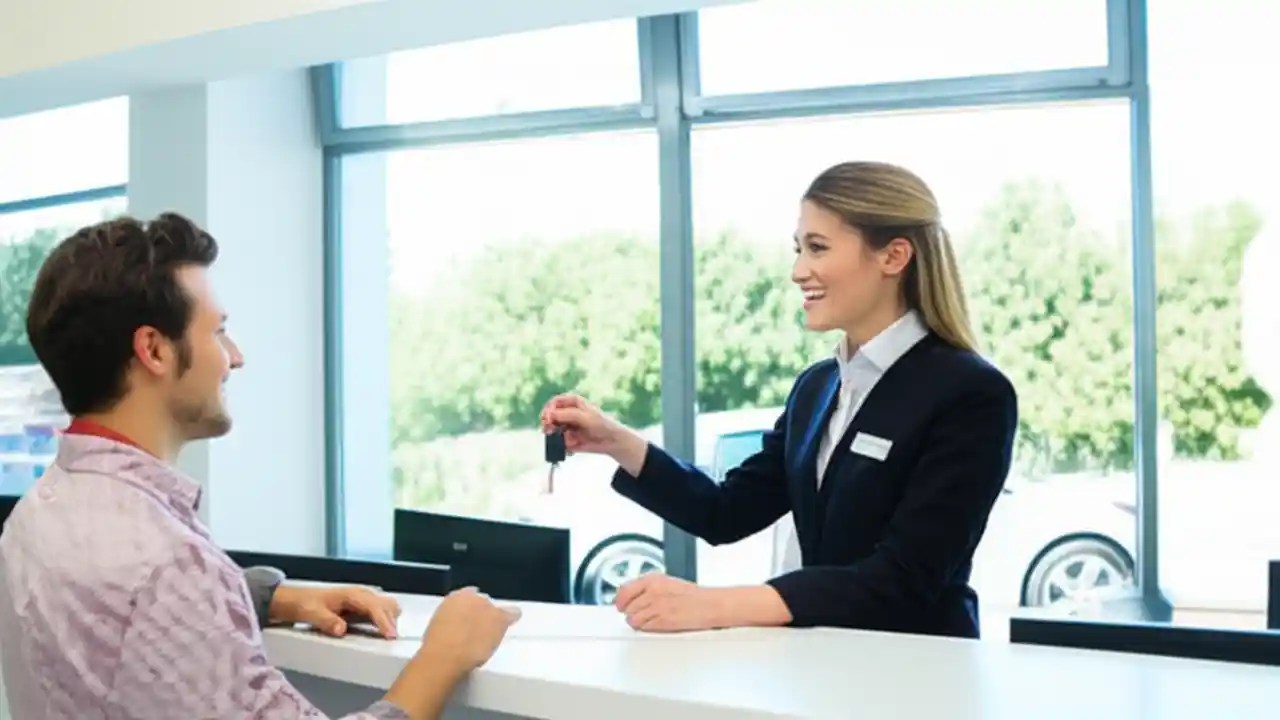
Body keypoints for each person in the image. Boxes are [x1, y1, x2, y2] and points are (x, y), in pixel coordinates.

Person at [0, 212, 519, 719]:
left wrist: (270, 597)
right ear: (154, 350)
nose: (236, 356)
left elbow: (116, 613)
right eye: (219, 332)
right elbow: (155, 589)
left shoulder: (35, 517)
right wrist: (442, 658)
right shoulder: (168, 566)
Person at [541, 161, 1017, 639]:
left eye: (817, 248)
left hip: (920, 677)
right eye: (798, 249)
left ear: (893, 257)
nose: (797, 271)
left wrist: (716, 604)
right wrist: (616, 442)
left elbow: (904, 577)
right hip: (822, 666)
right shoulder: (818, 388)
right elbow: (726, 511)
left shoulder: (971, 393)